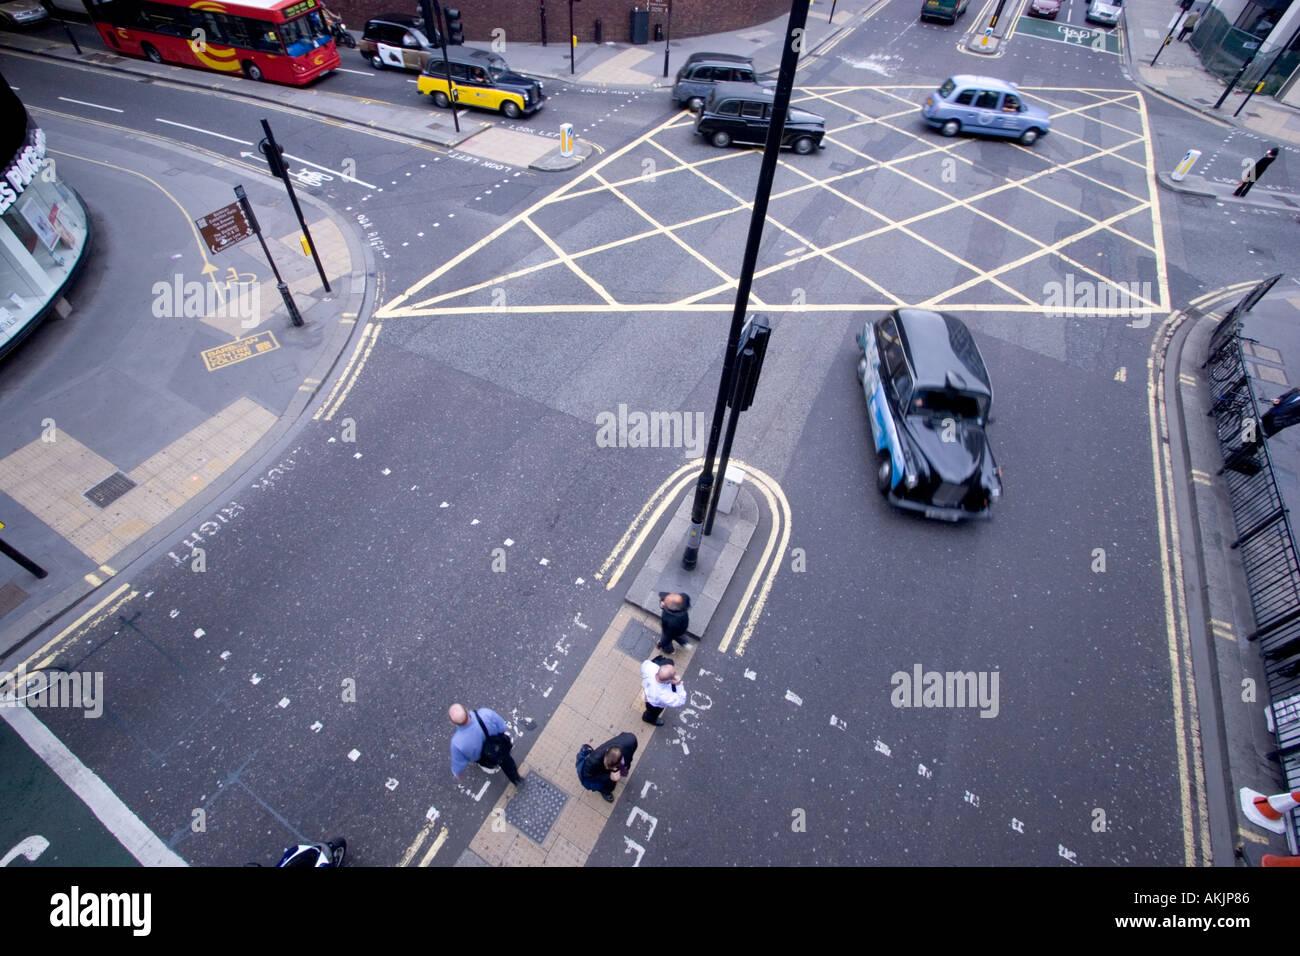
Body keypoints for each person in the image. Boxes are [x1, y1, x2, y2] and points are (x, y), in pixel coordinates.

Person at [448, 703, 523, 787]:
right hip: (499, 747)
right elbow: (502, 727)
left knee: (490, 763)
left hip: (483, 758)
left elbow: (458, 763)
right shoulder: (485, 714)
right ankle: (517, 780)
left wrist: (458, 773)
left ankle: (493, 766)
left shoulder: (457, 743)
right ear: (466, 709)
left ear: (452, 722)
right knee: (508, 763)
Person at [576, 732, 638, 803]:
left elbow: (628, 758)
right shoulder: (593, 761)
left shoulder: (630, 740)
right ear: (607, 751)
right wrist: (609, 776)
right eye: (606, 765)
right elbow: (587, 775)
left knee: (615, 778)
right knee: (604, 784)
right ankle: (605, 791)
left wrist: (622, 770)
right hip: (597, 773)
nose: (607, 767)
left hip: (618, 765)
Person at [641, 659, 686, 726]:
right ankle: (648, 719)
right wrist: (679, 685)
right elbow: (681, 701)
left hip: (648, 690)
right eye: (674, 675)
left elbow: (645, 663)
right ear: (669, 680)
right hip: (654, 704)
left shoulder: (651, 668)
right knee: (652, 713)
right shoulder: (664, 694)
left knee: (670, 661)